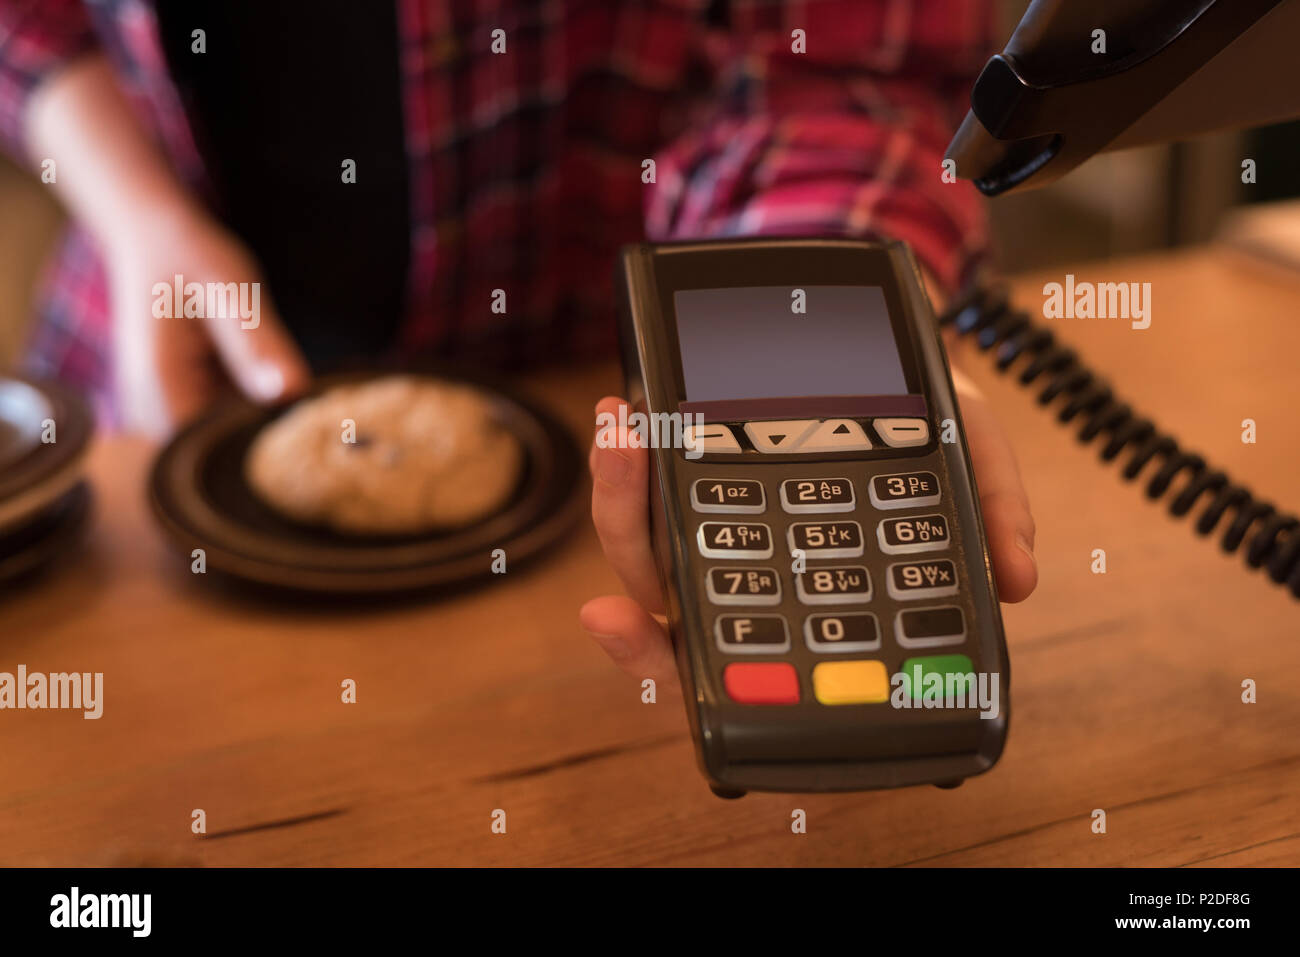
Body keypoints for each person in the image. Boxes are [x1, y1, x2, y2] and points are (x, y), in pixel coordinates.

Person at [0, 0, 1036, 681]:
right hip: (148, 406)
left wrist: (815, 334)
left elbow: (847, 74)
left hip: (612, 433)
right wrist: (134, 212)